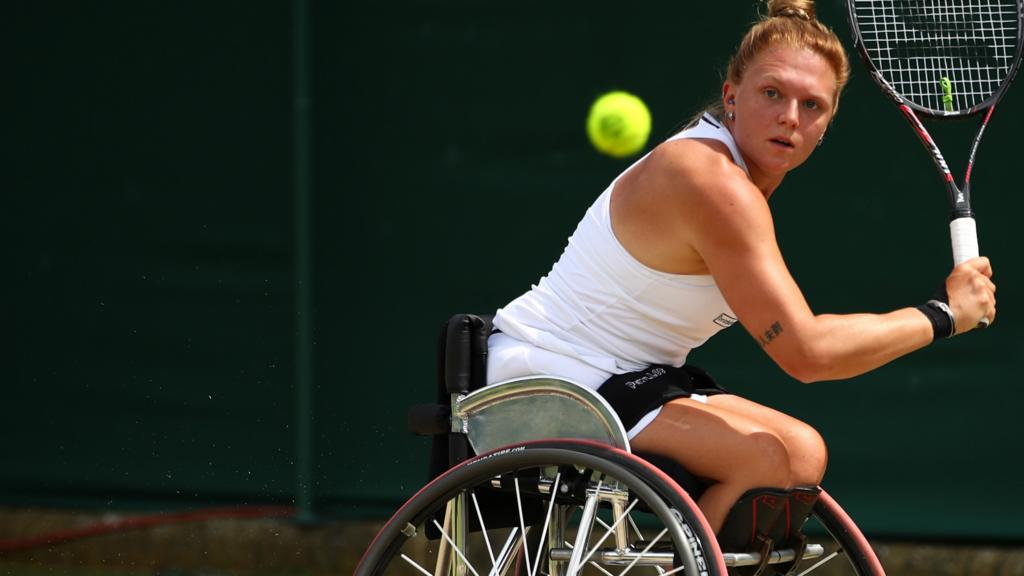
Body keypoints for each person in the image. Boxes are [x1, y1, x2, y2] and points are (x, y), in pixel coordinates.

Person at [486, 0, 997, 533]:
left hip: (627, 380)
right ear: (732, 97)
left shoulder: (736, 177)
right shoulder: (716, 186)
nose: (790, 117)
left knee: (802, 455)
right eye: (772, 93)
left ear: (827, 124)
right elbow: (807, 353)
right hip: (551, 375)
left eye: (812, 105)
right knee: (762, 461)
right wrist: (945, 314)